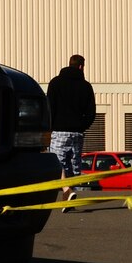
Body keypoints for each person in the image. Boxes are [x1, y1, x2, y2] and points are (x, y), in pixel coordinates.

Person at [45, 55, 95, 202]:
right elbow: (91, 112)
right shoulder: (86, 86)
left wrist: (50, 126)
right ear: (81, 67)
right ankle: (68, 197)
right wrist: (82, 126)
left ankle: (67, 190)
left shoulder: (55, 83)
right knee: (73, 166)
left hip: (59, 131)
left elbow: (50, 108)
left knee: (58, 162)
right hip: (77, 133)